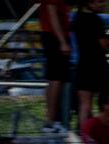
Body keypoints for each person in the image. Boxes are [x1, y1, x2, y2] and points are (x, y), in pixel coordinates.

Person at [73, 0, 109, 128]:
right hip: (97, 65)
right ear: (89, 4)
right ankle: (105, 131)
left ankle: (84, 136)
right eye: (99, 2)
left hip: (83, 64)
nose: (103, 4)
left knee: (85, 104)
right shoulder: (95, 20)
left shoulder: (77, 18)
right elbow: (104, 45)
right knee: (106, 103)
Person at [39, 1, 73, 133]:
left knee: (58, 78)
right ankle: (50, 120)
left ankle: (55, 118)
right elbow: (52, 15)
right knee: (55, 78)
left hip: (59, 36)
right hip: (54, 36)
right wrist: (62, 42)